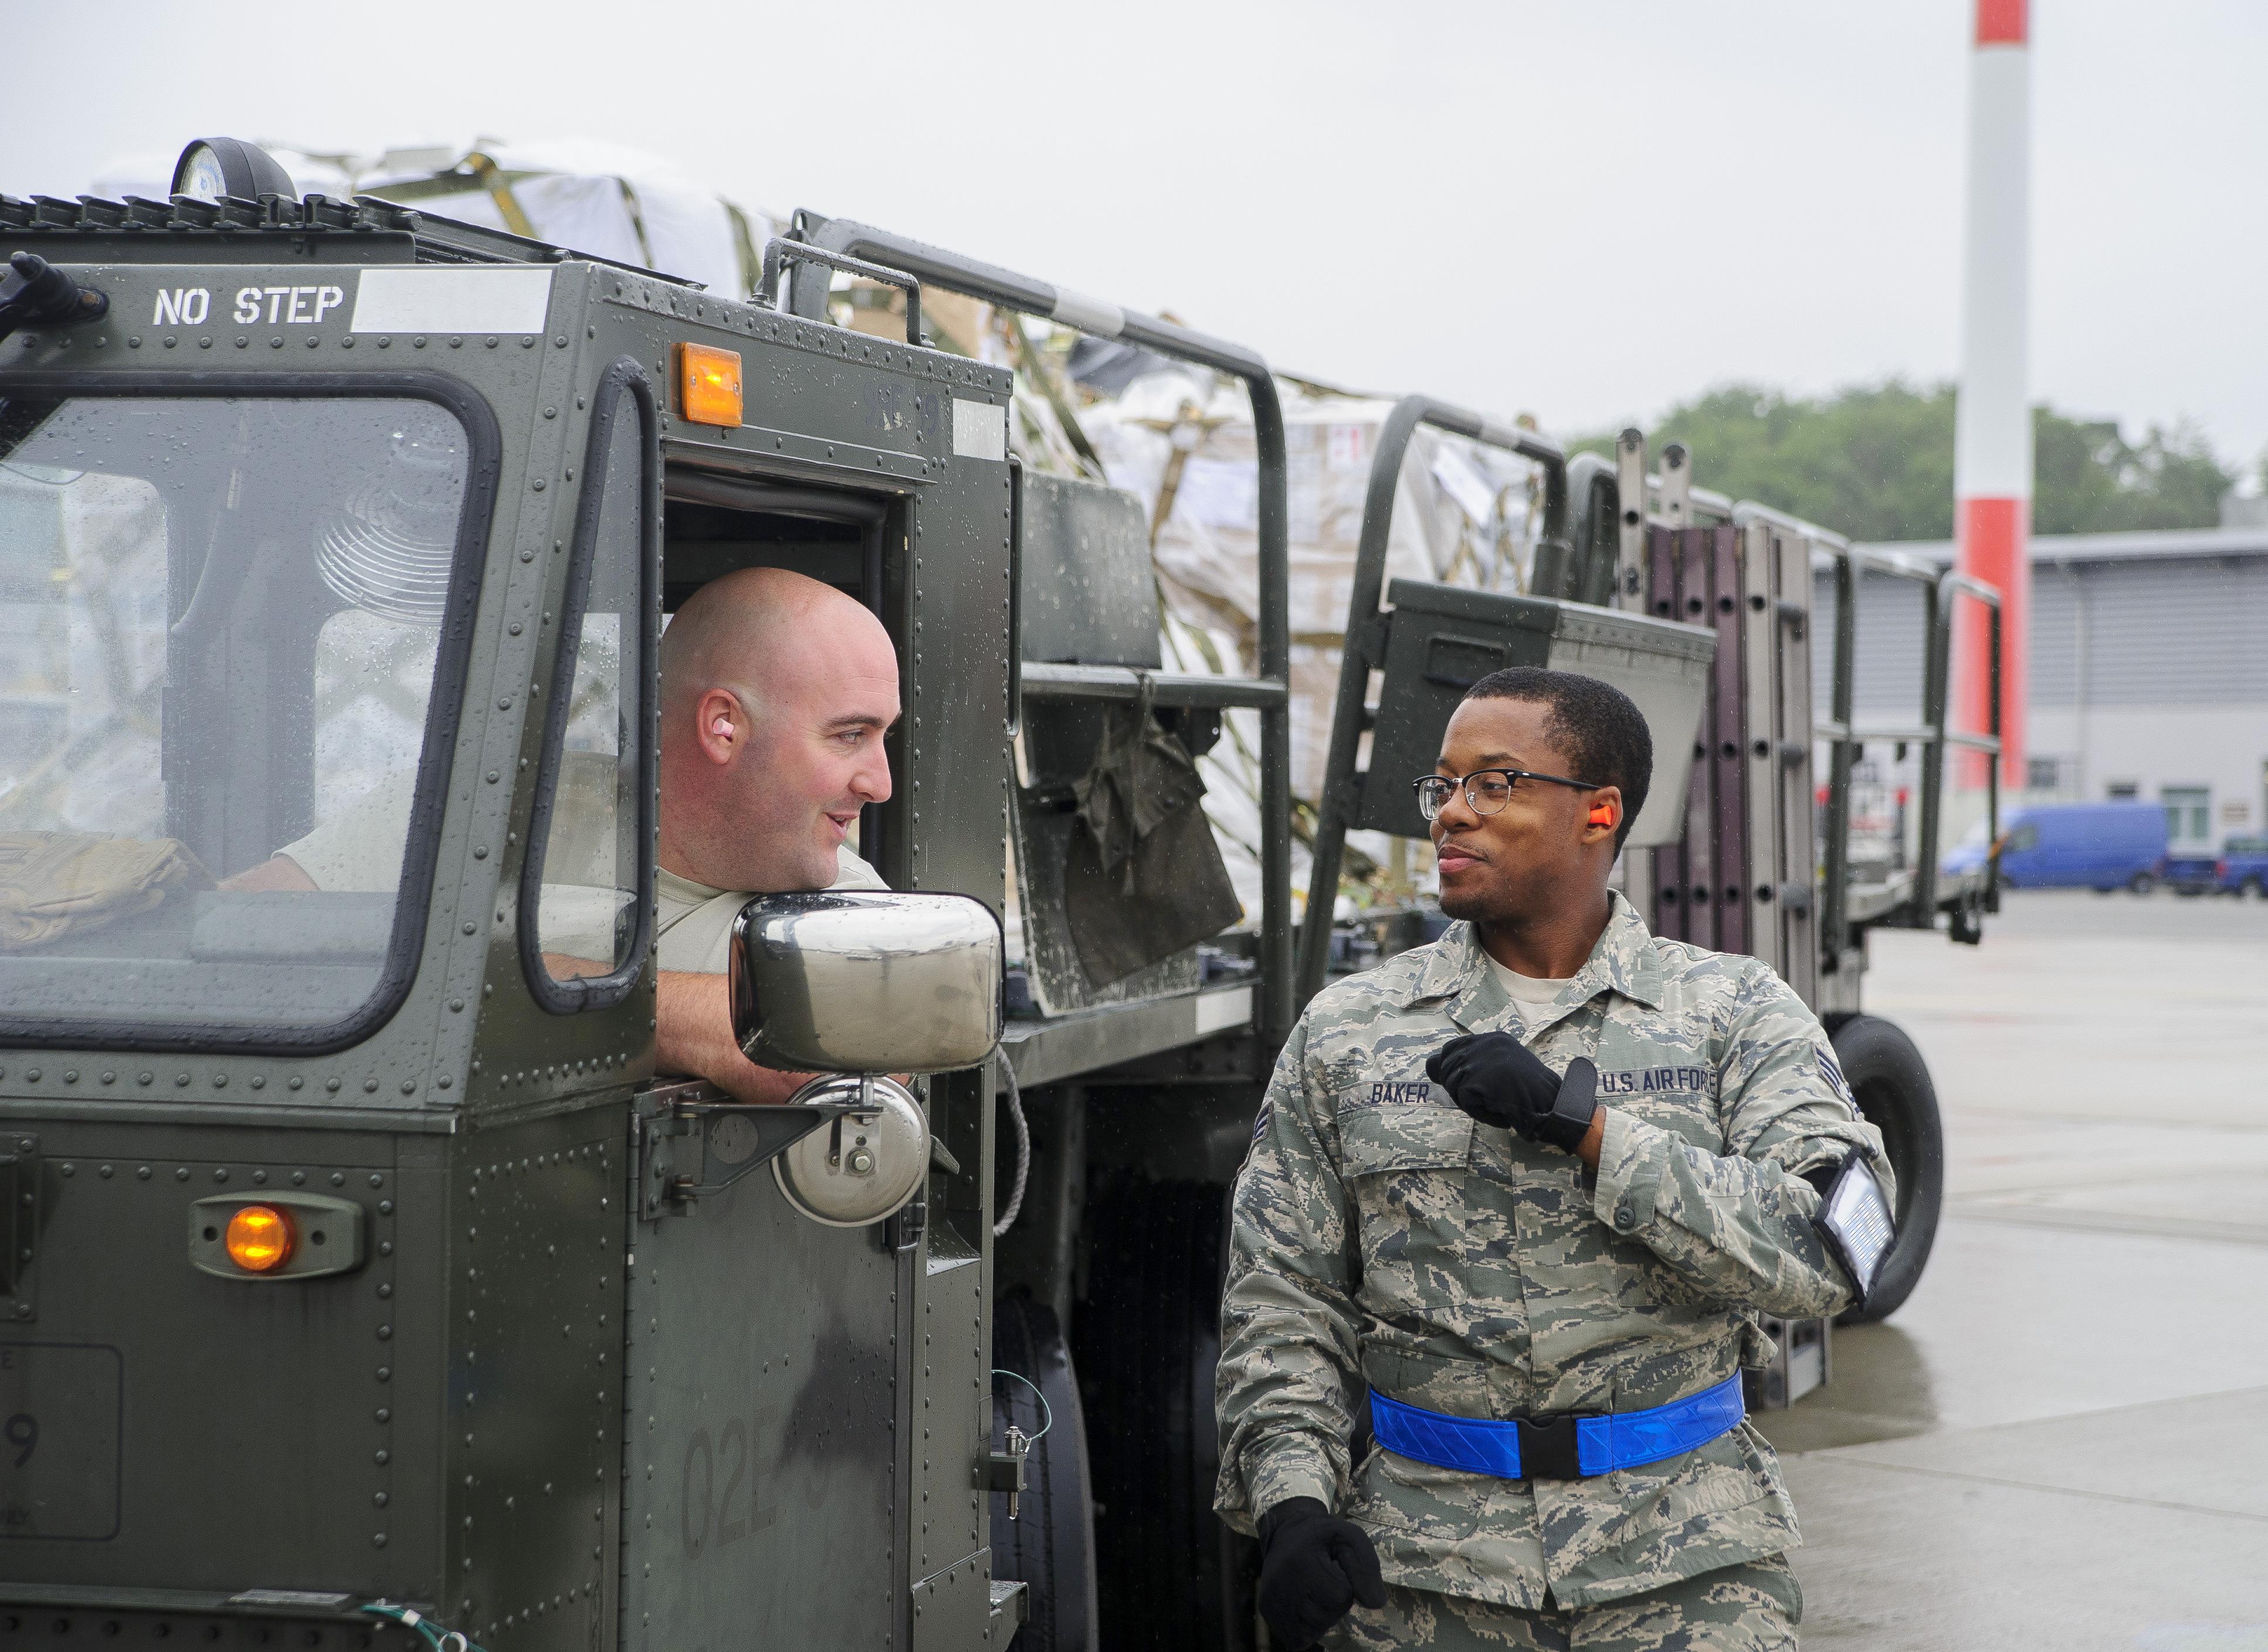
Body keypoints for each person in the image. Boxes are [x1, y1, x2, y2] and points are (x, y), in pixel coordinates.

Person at [1214, 666, 1891, 1651]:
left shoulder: (1732, 1012)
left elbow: (1831, 1253)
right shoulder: (1348, 1031)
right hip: (1421, 1571)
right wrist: (1290, 1504)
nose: (1452, 812)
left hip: (1684, 1562)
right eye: (1443, 785)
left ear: (1598, 813)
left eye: (1494, 783)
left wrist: (1588, 1130)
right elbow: (1280, 1298)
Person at [222, 567, 898, 1104]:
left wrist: (509, 982)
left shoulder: (850, 908)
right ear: (724, 726)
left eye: (881, 737)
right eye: (850, 735)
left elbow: (842, 1060)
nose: (881, 783)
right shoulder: (483, 812)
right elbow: (235, 931)